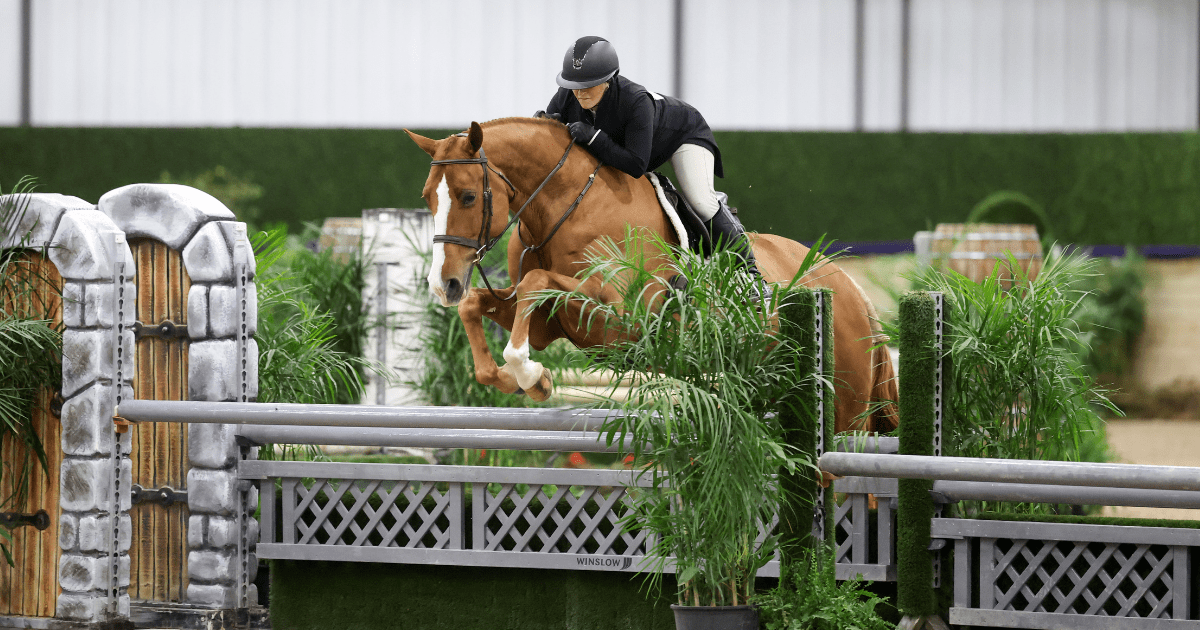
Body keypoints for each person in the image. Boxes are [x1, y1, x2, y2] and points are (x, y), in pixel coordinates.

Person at [535, 36, 767, 300]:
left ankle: (751, 277)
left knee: (701, 201)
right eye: (574, 85)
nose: (580, 93)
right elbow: (552, 129)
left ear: (609, 80)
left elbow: (636, 165)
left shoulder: (636, 101)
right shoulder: (568, 94)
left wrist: (595, 138)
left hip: (683, 135)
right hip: (635, 146)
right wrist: (545, 125)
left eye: (589, 85)